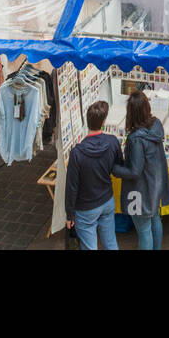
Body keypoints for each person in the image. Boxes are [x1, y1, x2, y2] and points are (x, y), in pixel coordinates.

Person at [113, 90, 169, 250]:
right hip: (155, 186)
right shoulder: (156, 124)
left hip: (140, 191)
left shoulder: (136, 139)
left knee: (144, 229)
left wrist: (114, 168)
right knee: (154, 220)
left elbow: (134, 171)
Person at [64, 100, 124, 250]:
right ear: (103, 122)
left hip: (86, 208)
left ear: (87, 122)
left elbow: (71, 187)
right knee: (110, 243)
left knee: (89, 246)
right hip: (107, 201)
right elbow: (118, 166)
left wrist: (69, 215)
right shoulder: (112, 142)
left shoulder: (77, 153)